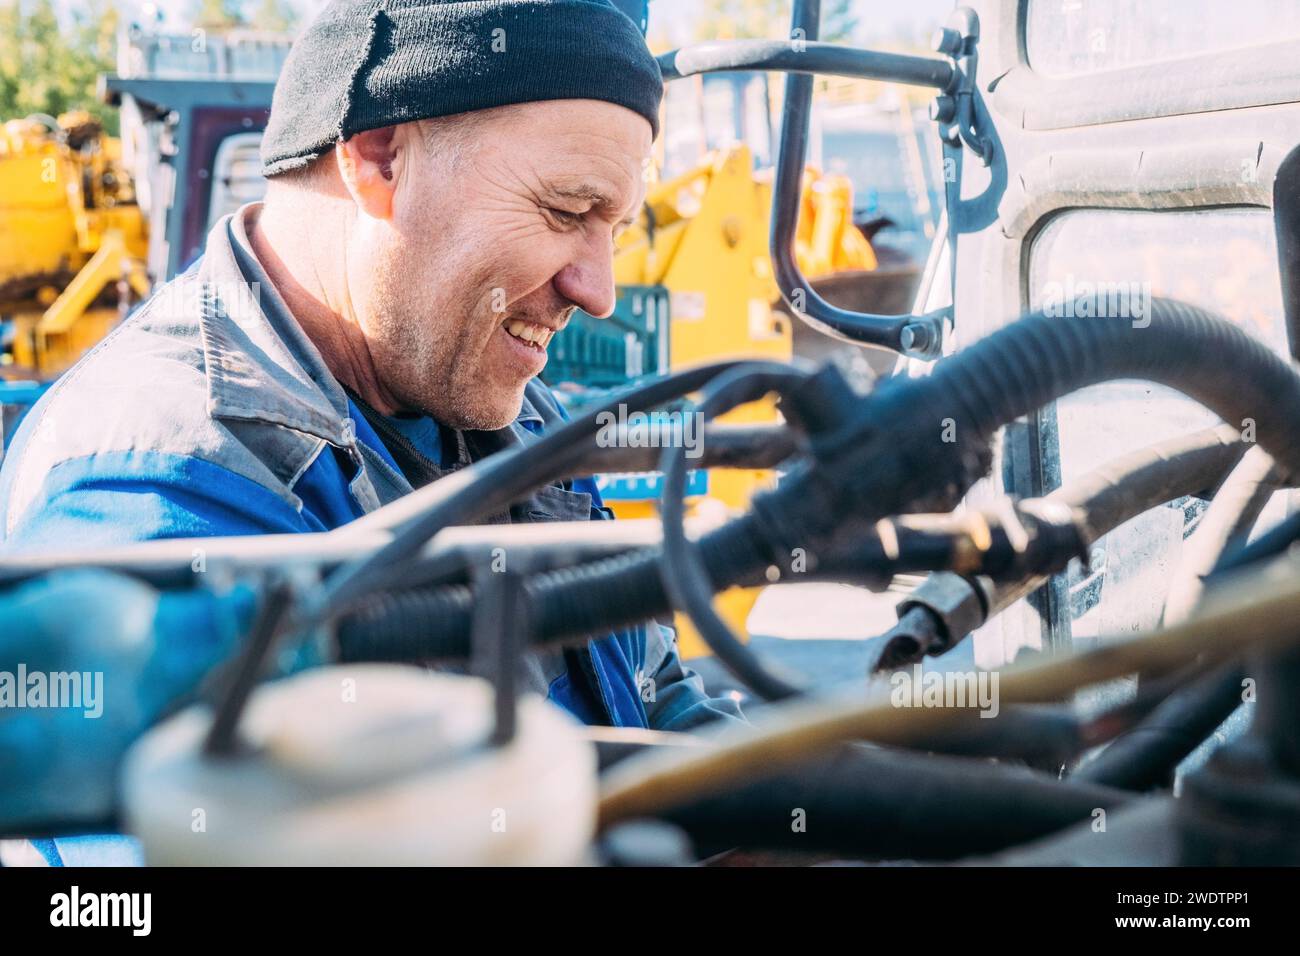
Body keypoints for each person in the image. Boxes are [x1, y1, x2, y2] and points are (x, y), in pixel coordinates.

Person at [0, 0, 744, 748]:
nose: (599, 291)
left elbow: (648, 691)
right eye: (565, 210)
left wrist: (786, 799)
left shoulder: (515, 418)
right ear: (381, 154)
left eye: (612, 228)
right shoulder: (161, 495)